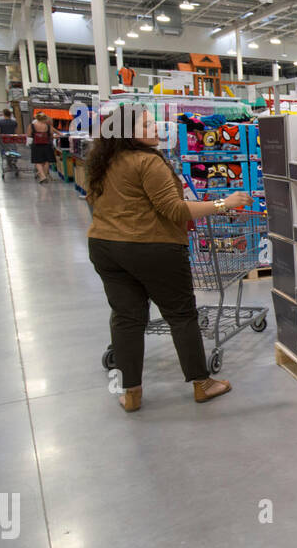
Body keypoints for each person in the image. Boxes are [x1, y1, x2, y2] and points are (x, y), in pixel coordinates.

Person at [86, 104, 250, 412]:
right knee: (181, 314)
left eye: (154, 123)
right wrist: (222, 203)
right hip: (152, 247)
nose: (156, 130)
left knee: (126, 318)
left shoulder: (100, 162)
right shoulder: (148, 162)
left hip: (105, 246)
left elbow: (93, 200)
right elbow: (174, 210)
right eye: (145, 126)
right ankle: (202, 384)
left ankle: (131, 392)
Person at [29, 112, 57, 183]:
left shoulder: (32, 125)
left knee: (37, 161)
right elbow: (51, 135)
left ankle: (42, 176)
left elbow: (29, 134)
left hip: (36, 145)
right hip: (46, 145)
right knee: (46, 161)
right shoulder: (48, 126)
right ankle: (45, 175)